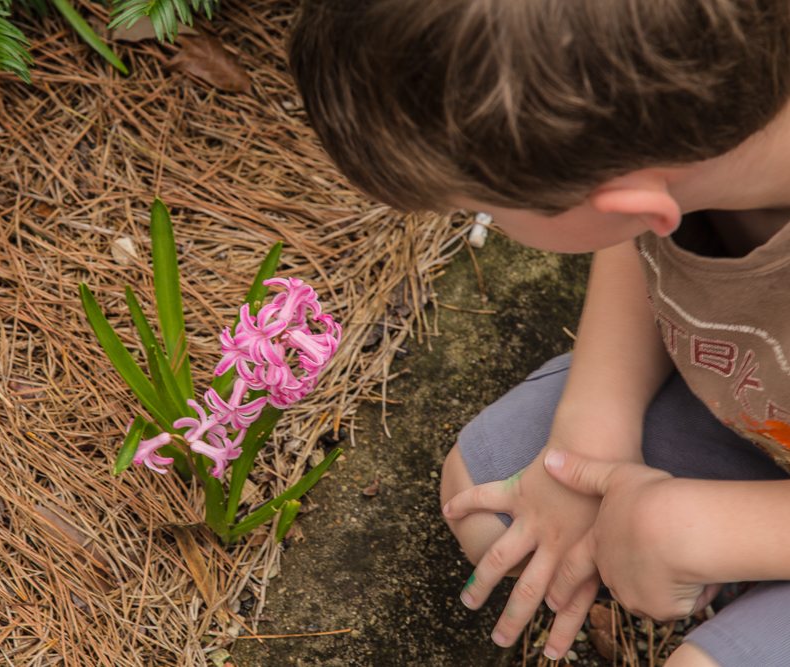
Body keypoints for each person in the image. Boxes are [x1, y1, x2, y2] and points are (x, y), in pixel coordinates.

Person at [288, 2, 790, 665]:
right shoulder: (698, 147)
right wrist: (593, 426)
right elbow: (636, 233)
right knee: (491, 498)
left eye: (484, 204)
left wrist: (706, 529)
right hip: (758, 415)